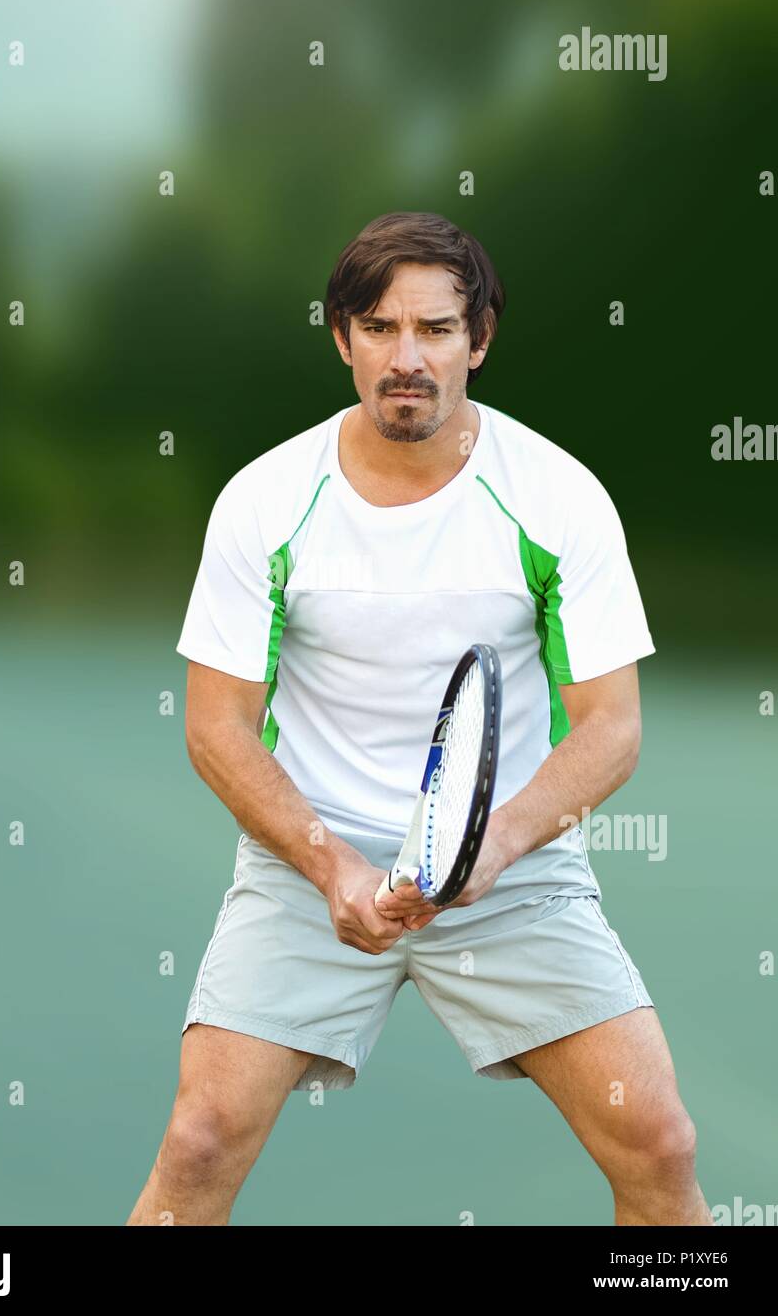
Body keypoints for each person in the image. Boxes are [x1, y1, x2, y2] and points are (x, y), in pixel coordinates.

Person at [127, 211, 712, 1227]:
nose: (410, 358)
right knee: (200, 1141)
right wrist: (329, 866)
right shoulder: (265, 502)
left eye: (437, 330)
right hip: (310, 864)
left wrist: (494, 845)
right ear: (341, 337)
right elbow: (217, 725)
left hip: (511, 866)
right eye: (382, 327)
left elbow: (610, 725)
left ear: (479, 339)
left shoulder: (558, 498)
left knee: (657, 1142)